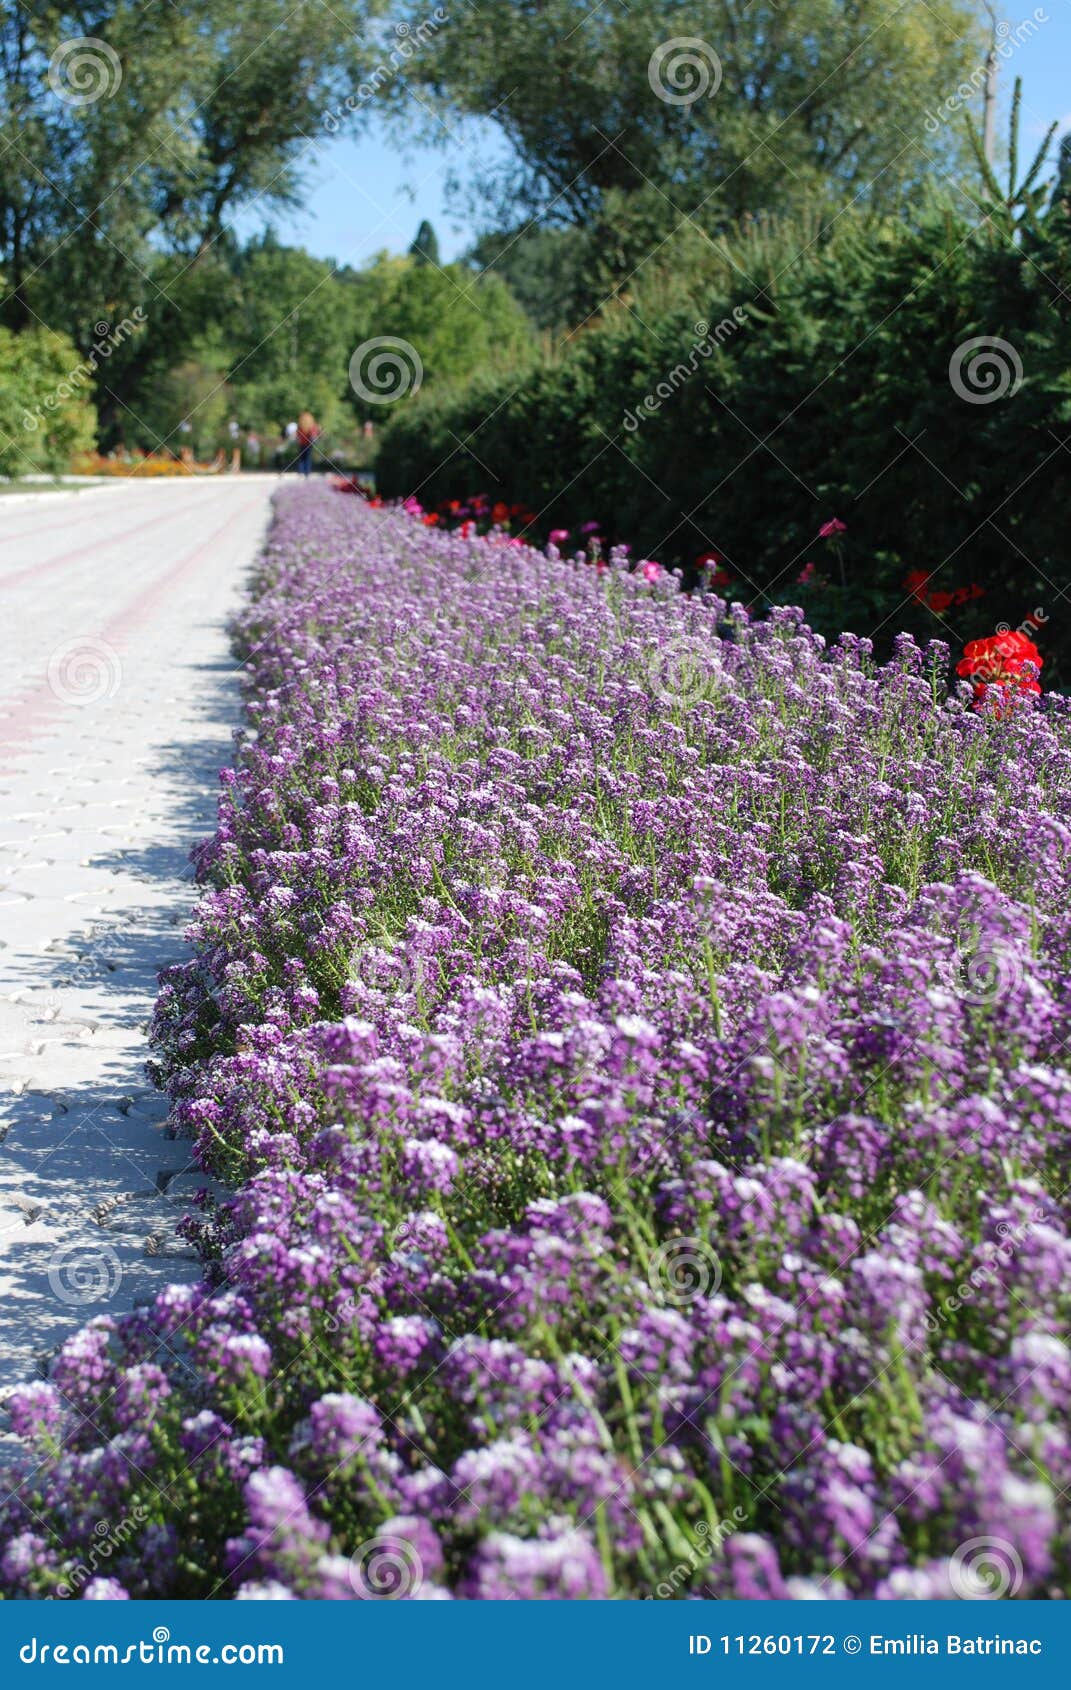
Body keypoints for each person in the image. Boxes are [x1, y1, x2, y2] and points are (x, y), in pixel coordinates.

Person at [296, 410, 322, 477]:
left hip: (302, 443)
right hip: (308, 443)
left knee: (301, 458)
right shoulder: (311, 425)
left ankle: (300, 472)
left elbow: (298, 434)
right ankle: (307, 473)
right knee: (307, 458)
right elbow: (314, 433)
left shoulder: (300, 425)